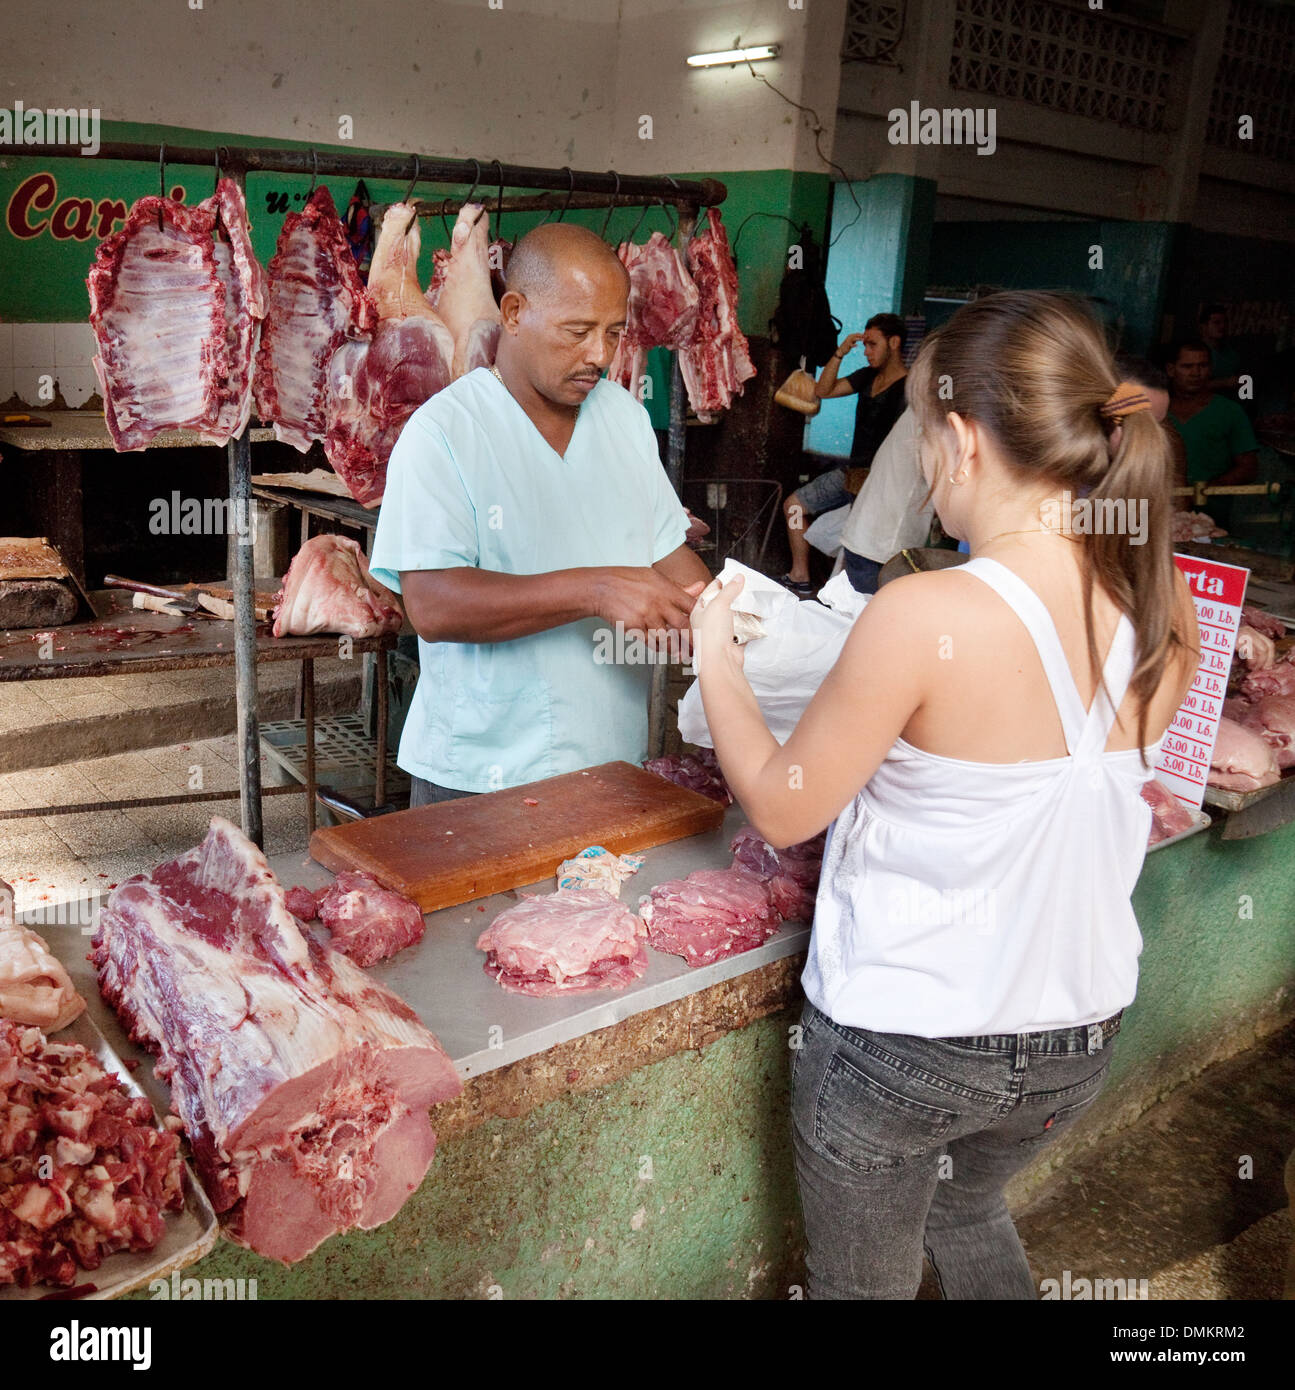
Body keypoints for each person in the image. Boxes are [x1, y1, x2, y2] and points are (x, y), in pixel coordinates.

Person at [691, 290, 1199, 1300]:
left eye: (922, 435)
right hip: (1072, 1044)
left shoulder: (925, 612)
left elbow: (785, 805)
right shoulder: (1157, 609)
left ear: (961, 441)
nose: (921, 463)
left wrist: (717, 658)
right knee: (967, 1209)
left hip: (903, 1052)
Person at [369, 222, 710, 805]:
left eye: (613, 333)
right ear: (514, 311)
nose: (599, 355)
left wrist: (719, 609)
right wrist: (597, 589)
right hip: (480, 775)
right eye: (577, 332)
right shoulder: (444, 433)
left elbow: (665, 551)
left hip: (609, 763)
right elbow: (432, 605)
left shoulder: (624, 419)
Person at [779, 314, 908, 595]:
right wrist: (840, 353)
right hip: (851, 473)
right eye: (864, 345)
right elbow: (822, 391)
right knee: (793, 506)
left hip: (880, 482)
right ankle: (800, 574)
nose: (866, 351)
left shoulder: (909, 389)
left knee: (858, 543)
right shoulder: (867, 376)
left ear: (894, 343)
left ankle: (842, 597)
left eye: (872, 344)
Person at [1164, 337, 1259, 530]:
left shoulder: (1230, 412)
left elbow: (1249, 468)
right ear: (1171, 370)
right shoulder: (1157, 410)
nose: (1195, 373)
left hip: (1211, 519)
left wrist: (1210, 487)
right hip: (1158, 510)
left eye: (1203, 366)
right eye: (1187, 366)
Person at [838, 408, 934, 595]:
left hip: (869, 537)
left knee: (855, 616)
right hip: (883, 545)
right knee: (868, 616)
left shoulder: (919, 409)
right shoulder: (935, 418)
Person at [1198, 303, 1242, 396]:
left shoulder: (1232, 354)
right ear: (1204, 326)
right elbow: (1188, 385)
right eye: (1216, 323)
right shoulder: (1194, 353)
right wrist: (1224, 383)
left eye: (1225, 322)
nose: (1222, 326)